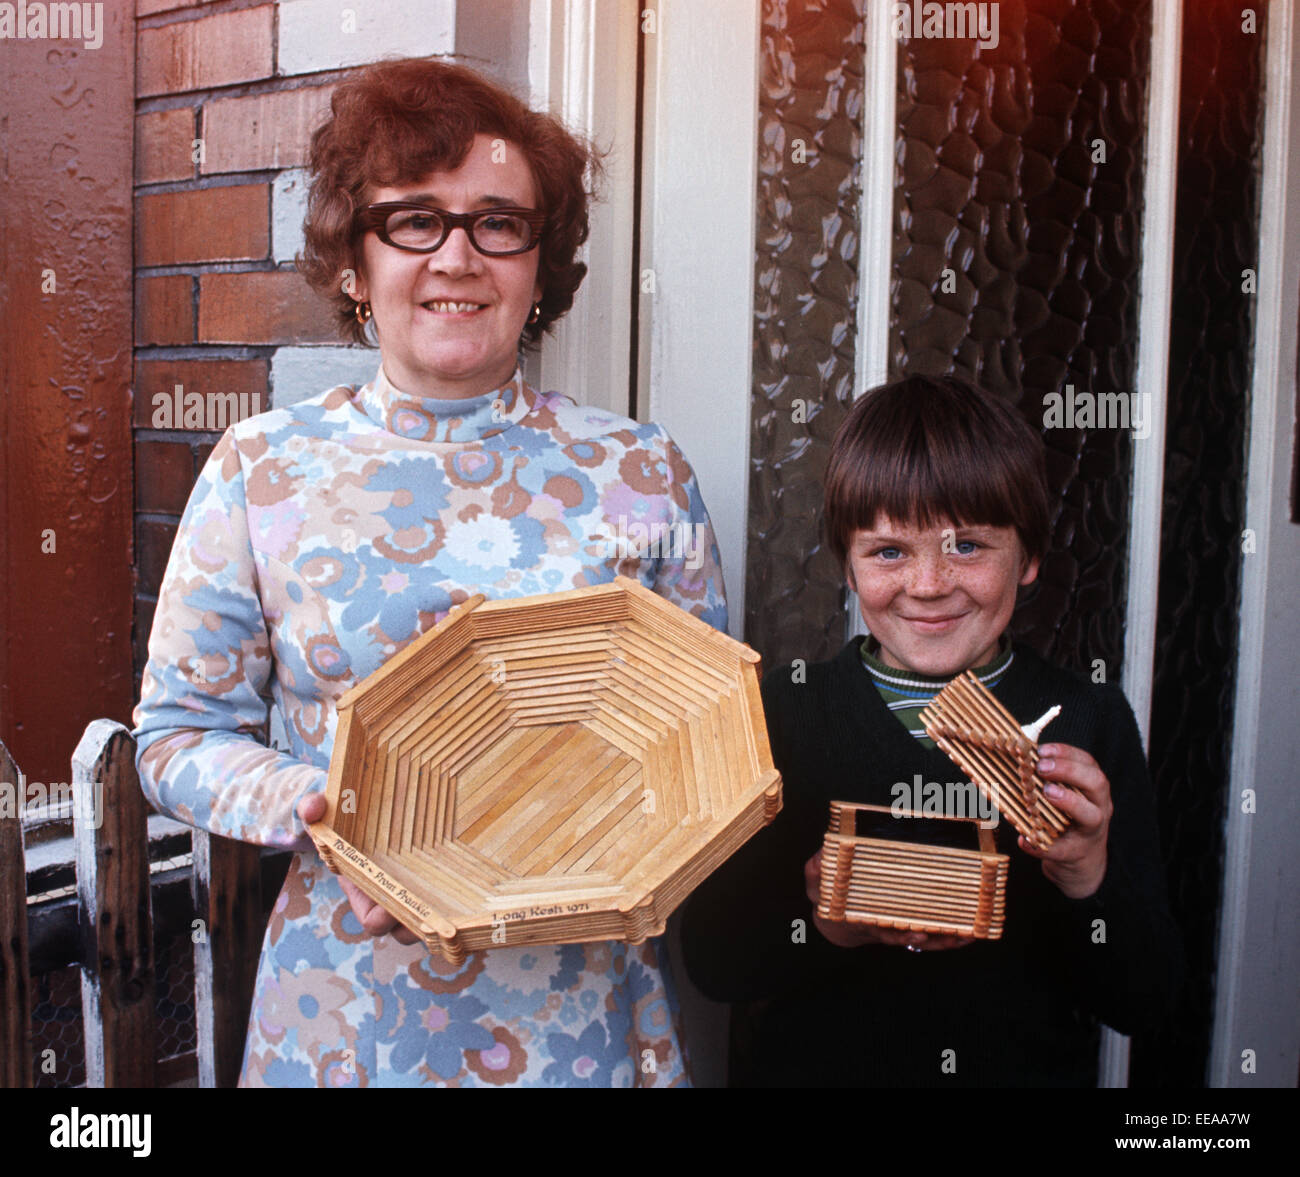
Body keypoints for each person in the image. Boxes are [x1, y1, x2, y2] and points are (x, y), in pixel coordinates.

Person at [132, 57, 726, 1088]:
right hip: (346, 1010)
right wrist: (345, 813)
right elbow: (176, 734)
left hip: (575, 1013)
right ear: (354, 264)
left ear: (541, 265)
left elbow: (703, 742)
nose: (458, 256)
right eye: (414, 220)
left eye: (499, 222)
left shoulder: (639, 473)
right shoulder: (260, 471)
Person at [680, 375, 1182, 1086]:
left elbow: (1147, 996)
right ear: (848, 566)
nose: (928, 583)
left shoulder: (1086, 722)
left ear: (1031, 556)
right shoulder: (784, 715)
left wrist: (1084, 871)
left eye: (968, 545)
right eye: (889, 551)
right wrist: (828, 921)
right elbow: (712, 960)